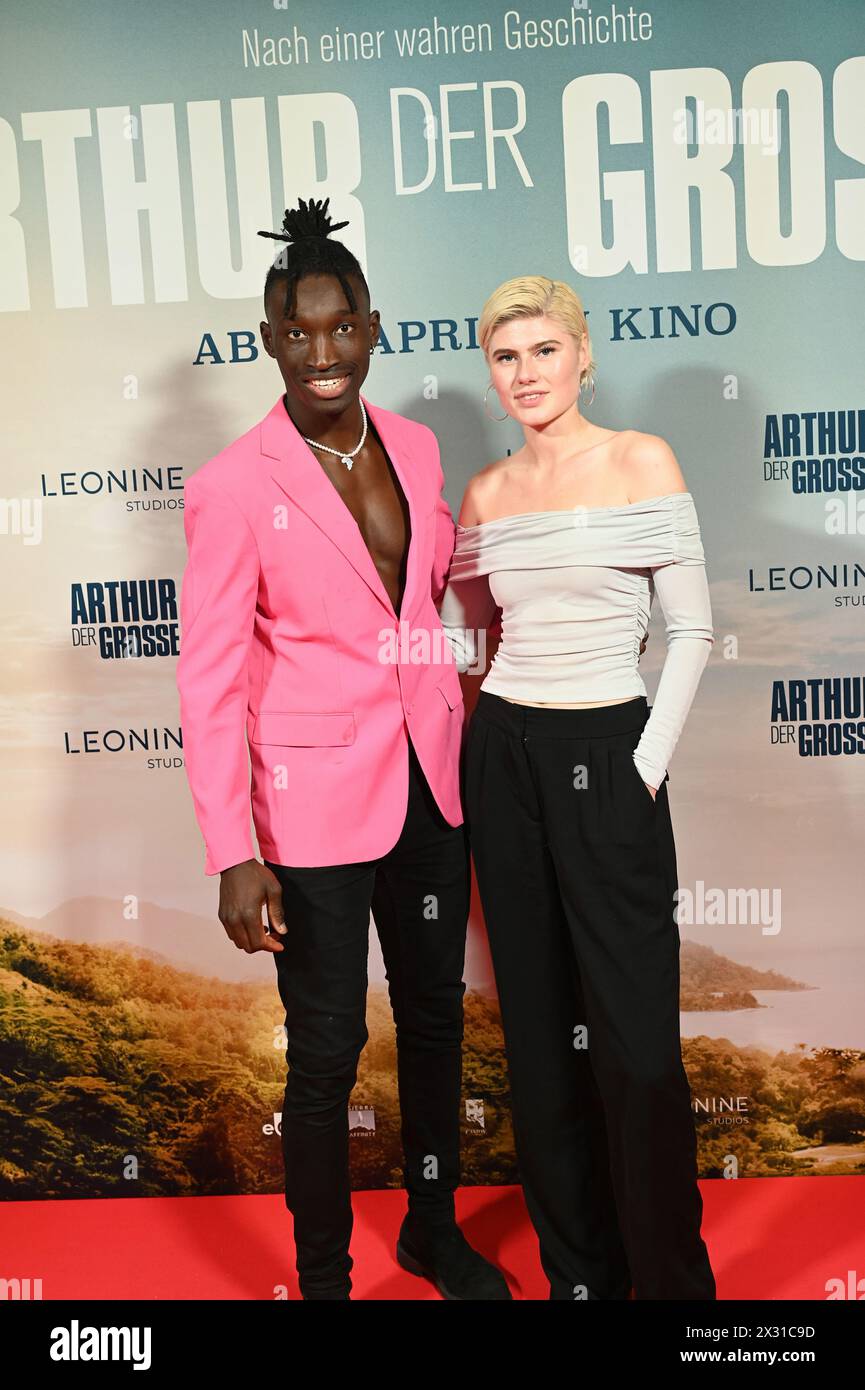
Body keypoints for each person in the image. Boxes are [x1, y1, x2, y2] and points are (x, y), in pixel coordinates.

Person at [176, 197, 509, 1301]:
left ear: (372, 327)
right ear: (270, 340)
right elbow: (211, 676)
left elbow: (435, 609)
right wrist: (233, 847)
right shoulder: (232, 486)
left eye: (342, 327)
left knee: (430, 1025)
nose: (323, 353)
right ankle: (321, 1274)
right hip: (307, 808)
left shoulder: (415, 449)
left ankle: (429, 1228)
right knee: (324, 1053)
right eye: (299, 332)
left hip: (429, 785)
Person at [437, 275, 717, 1300]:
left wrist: (644, 768)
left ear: (582, 354)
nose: (525, 374)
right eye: (505, 358)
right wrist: (478, 755)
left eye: (543, 351)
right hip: (506, 754)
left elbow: (688, 630)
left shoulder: (640, 459)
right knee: (542, 1046)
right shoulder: (486, 492)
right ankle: (580, 1282)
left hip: (610, 744)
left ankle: (675, 1297)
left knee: (637, 1049)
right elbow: (473, 642)